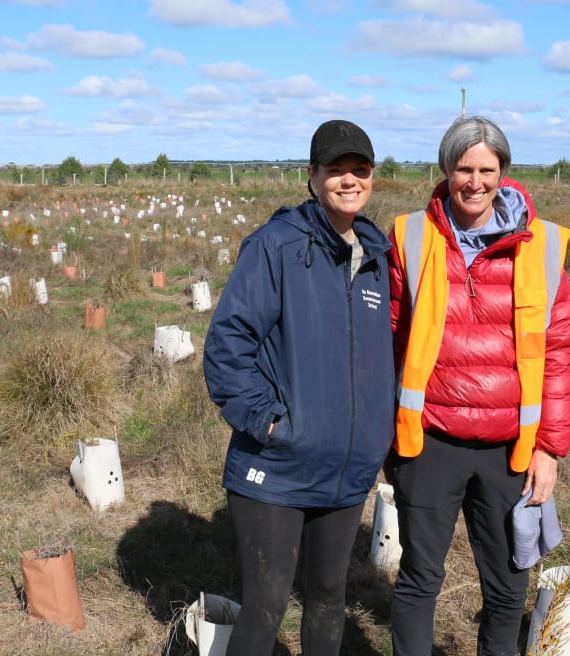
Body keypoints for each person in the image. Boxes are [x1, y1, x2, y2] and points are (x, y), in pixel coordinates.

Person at [203, 119, 394, 656]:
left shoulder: (378, 258)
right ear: (313, 176)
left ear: (372, 175)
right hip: (277, 467)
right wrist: (270, 421)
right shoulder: (276, 246)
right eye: (336, 170)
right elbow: (227, 343)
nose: (349, 180)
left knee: (330, 596)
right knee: (266, 605)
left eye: (360, 170)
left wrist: (377, 430)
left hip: (345, 469)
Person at [387, 116, 570, 656]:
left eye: (486, 169)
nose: (475, 182)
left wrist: (549, 448)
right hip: (430, 445)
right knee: (420, 579)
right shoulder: (411, 236)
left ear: (504, 172)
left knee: (507, 587)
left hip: (508, 451)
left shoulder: (541, 247)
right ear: (446, 170)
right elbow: (391, 341)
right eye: (464, 168)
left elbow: (559, 353)